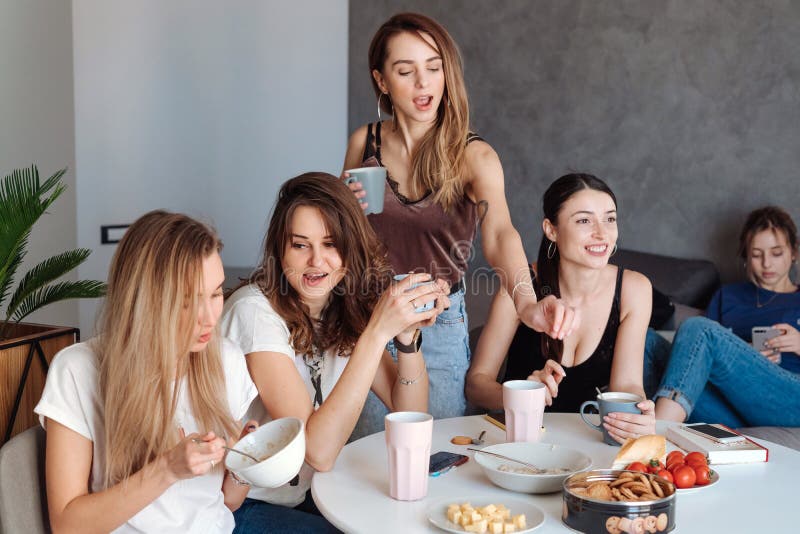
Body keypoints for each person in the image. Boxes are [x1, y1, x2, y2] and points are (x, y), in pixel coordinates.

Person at [342, 12, 577, 434]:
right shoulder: (366, 144)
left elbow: (501, 233)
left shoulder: (473, 157)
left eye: (434, 68)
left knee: (435, 453)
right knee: (367, 457)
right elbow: (354, 232)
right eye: (405, 70)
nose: (423, 83)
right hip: (370, 317)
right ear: (381, 80)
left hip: (439, 325)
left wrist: (526, 302)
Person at [220, 173, 447, 532]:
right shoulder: (254, 313)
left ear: (350, 247)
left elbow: (411, 413)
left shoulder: (343, 305)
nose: (317, 262)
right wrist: (376, 333)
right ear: (280, 249)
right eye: (300, 245)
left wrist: (405, 337)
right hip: (239, 505)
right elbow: (317, 452)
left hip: (305, 497)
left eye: (330, 244)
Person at [34, 211, 259, 533]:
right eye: (187, 302)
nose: (209, 318)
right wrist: (166, 469)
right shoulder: (78, 371)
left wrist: (245, 464)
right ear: (144, 302)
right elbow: (68, 525)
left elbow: (228, 501)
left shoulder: (226, 360)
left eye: (215, 293)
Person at [465, 173, 656, 443]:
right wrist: (523, 395)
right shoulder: (521, 286)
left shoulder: (634, 289)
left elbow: (626, 384)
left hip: (588, 444)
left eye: (610, 219)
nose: (602, 233)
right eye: (584, 220)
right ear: (551, 230)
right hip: (521, 442)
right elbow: (476, 384)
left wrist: (636, 411)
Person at [649, 206, 800, 427]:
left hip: (787, 400)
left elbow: (703, 336)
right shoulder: (727, 296)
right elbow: (698, 359)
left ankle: (656, 433)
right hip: (730, 406)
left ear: (794, 252)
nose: (767, 263)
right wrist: (747, 353)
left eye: (776, 253)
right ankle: (650, 423)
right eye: (757, 254)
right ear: (746, 256)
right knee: (646, 342)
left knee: (699, 329)